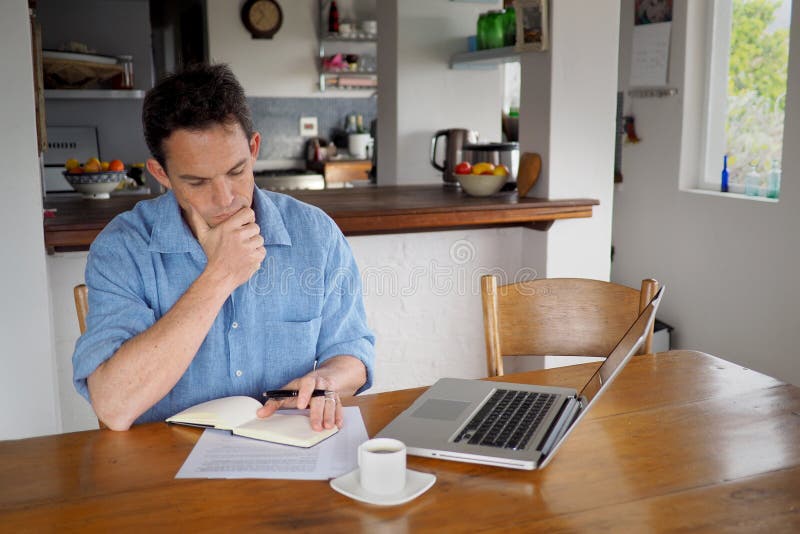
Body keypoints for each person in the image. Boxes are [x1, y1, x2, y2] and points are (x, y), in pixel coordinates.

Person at [72, 64, 375, 432]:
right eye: (197, 182)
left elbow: (353, 353)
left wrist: (328, 380)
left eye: (236, 171)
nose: (226, 199)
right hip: (164, 471)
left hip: (286, 454)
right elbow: (114, 407)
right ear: (161, 174)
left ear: (254, 148)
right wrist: (219, 276)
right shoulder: (123, 248)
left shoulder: (316, 234)